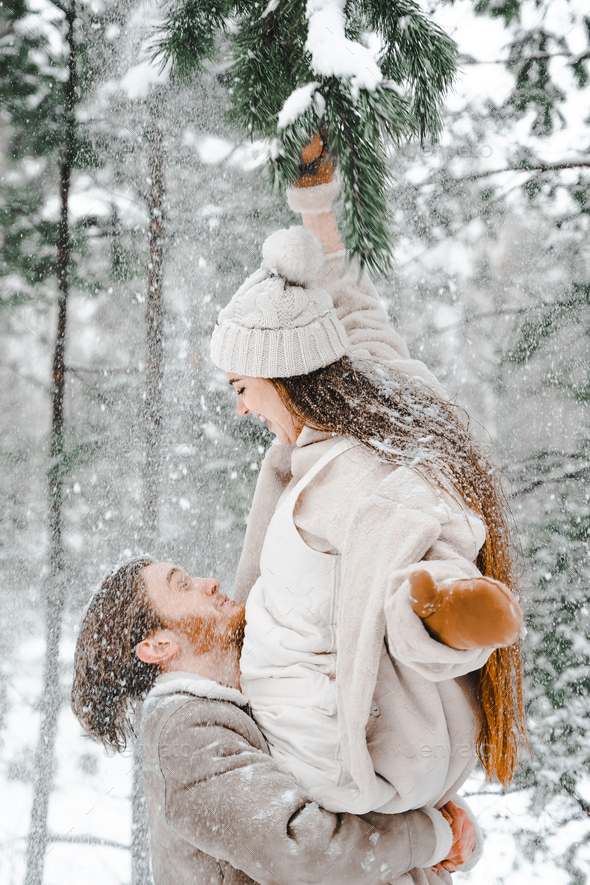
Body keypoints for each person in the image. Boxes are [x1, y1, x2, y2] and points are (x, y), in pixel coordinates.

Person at [209, 137, 526, 828]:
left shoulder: (357, 470)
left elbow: (414, 550)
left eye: (241, 386)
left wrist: (442, 610)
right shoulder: (371, 386)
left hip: (353, 760)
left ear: (282, 373)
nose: (239, 407)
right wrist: (315, 199)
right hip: (344, 749)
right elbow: (347, 298)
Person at [71, 556, 475, 885]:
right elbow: (304, 853)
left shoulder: (243, 703)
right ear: (159, 645)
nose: (209, 581)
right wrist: (428, 834)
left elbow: (330, 786)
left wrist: (434, 813)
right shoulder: (184, 735)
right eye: (182, 584)